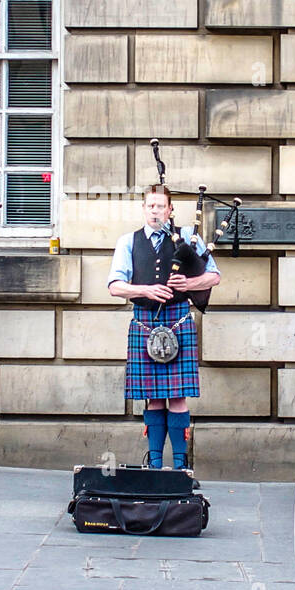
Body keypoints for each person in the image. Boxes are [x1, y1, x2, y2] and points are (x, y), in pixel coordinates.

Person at [107, 185, 221, 469]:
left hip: (178, 319)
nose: (155, 210)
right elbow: (114, 286)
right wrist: (145, 290)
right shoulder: (128, 242)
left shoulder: (186, 238)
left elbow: (214, 276)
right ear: (144, 209)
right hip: (145, 323)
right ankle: (155, 466)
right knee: (154, 399)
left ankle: (181, 467)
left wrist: (189, 283)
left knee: (178, 397)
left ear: (171, 210)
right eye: (150, 206)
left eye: (160, 206)